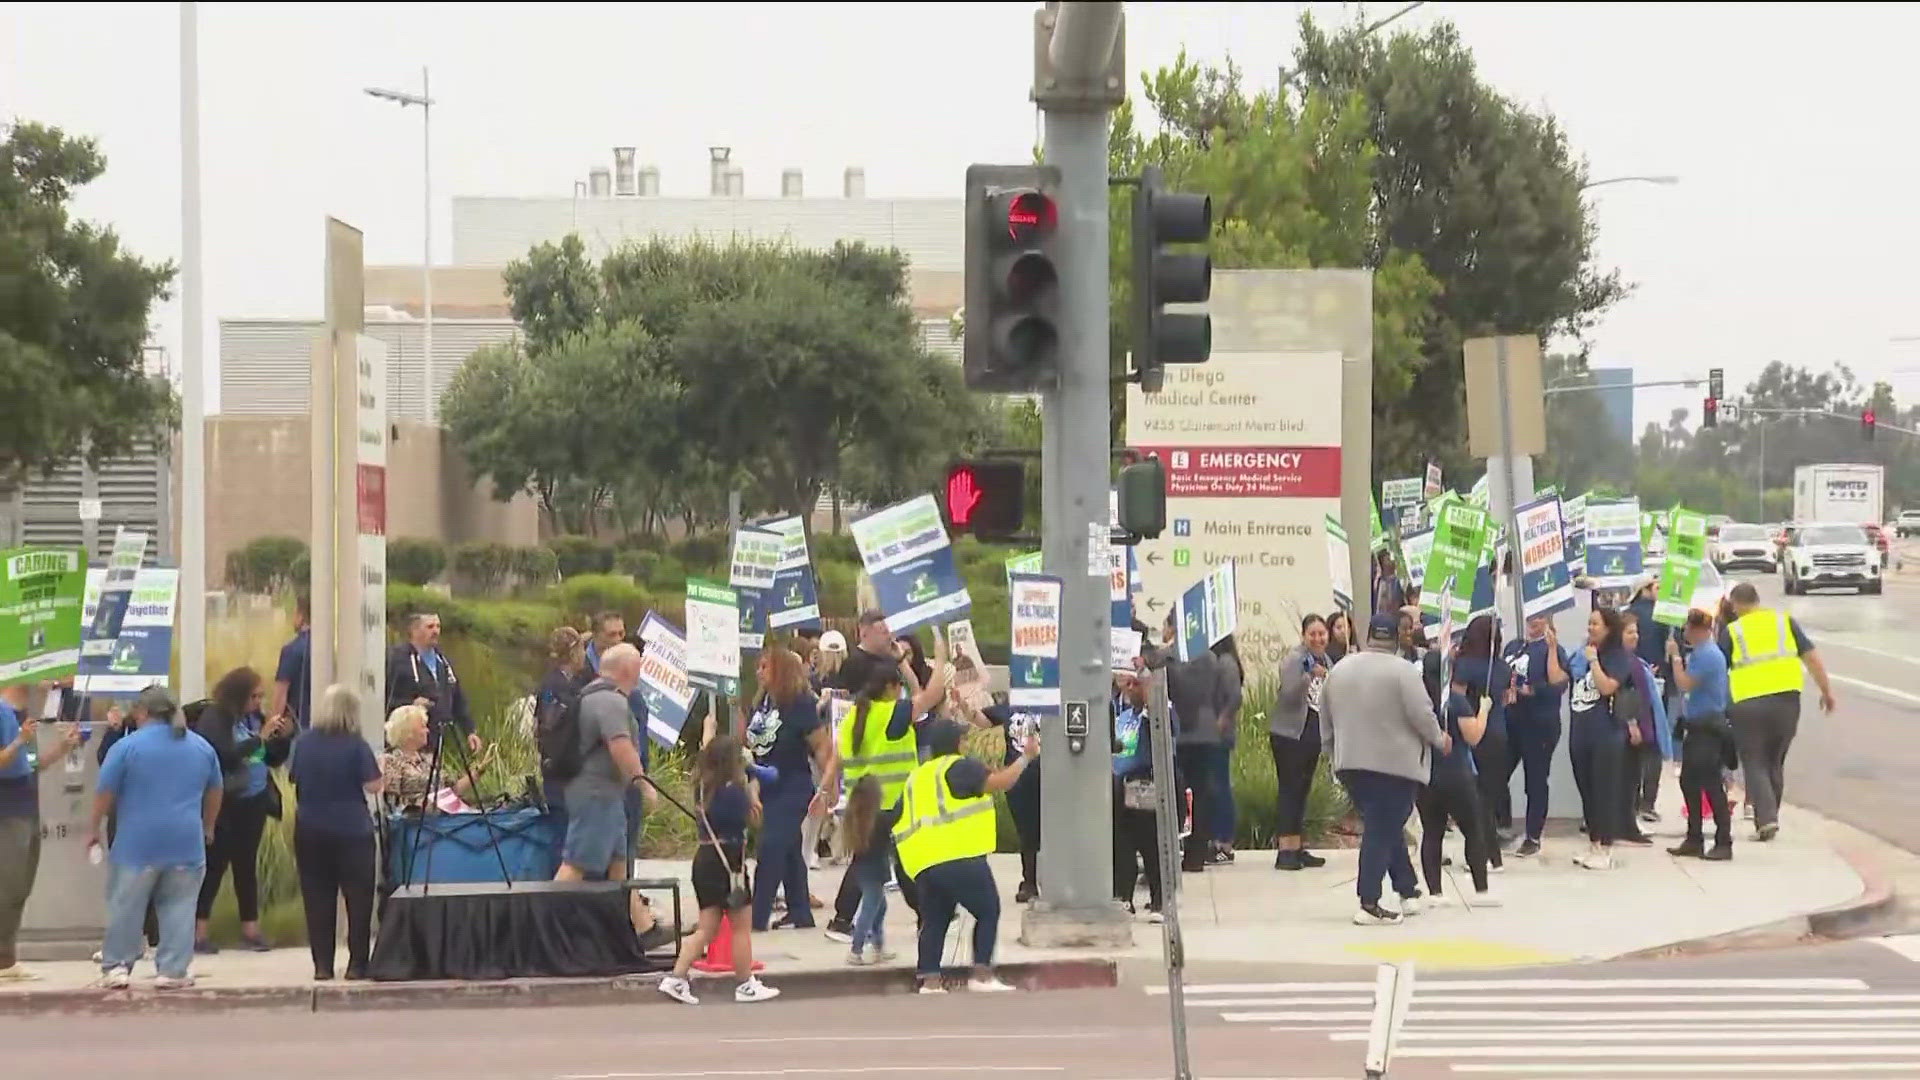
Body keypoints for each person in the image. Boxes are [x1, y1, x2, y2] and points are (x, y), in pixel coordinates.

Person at [89, 687, 223, 990]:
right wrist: (208, 826)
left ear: (142, 713)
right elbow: (216, 789)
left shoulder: (126, 747)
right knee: (180, 905)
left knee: (126, 905)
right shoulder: (201, 747)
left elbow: (104, 792)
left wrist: (92, 829)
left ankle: (117, 967)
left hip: (137, 845)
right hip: (186, 843)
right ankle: (173, 970)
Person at [1319, 614, 1450, 926]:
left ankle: (1407, 889)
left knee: (1385, 825)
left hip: (1350, 763)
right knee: (1382, 828)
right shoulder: (1403, 671)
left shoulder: (1340, 669)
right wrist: (1439, 738)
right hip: (1394, 765)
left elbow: (1325, 713)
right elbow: (1421, 713)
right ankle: (1369, 902)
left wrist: (1331, 750)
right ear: (1395, 638)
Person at [896, 719, 1033, 995]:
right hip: (959, 855)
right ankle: (982, 975)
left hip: (924, 862)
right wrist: (1026, 757)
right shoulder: (959, 766)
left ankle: (930, 980)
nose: (967, 743)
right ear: (956, 744)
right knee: (988, 910)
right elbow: (1001, 783)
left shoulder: (918, 776)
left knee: (935, 919)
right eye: (964, 739)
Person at [821, 656, 946, 944]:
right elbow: (933, 694)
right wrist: (940, 656)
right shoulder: (894, 713)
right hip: (891, 803)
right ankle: (924, 916)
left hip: (861, 804)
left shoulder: (857, 714)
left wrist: (824, 790)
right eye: (898, 686)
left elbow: (838, 757)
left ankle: (844, 920)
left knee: (870, 861)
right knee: (902, 862)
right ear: (890, 687)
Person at [554, 643, 667, 948]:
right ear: (628, 669)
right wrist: (644, 784)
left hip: (606, 794)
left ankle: (639, 929)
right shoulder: (610, 702)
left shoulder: (592, 695)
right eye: (640, 667)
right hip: (596, 794)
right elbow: (621, 746)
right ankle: (545, 930)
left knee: (619, 864)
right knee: (576, 863)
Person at [656, 735, 781, 1005]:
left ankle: (676, 978)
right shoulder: (734, 792)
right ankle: (746, 983)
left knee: (707, 928)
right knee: (740, 927)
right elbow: (753, 816)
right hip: (729, 861)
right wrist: (753, 790)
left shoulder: (703, 787)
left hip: (705, 859)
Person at [1719, 581, 1835, 841]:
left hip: (1748, 702)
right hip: (1787, 701)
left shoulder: (1733, 631)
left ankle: (1767, 818)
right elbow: (1812, 657)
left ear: (1736, 605)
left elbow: (1718, 668)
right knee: (1775, 760)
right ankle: (1770, 816)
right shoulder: (1785, 622)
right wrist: (1826, 691)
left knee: (1754, 760)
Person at [288, 684, 384, 979]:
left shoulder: (303, 743)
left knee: (317, 897)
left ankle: (322, 966)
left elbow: (293, 778)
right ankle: (357, 964)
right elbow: (373, 785)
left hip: (310, 827)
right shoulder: (356, 745)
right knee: (358, 899)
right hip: (352, 829)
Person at [192, 666, 291, 953]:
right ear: (239, 695)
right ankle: (198, 931)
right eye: (254, 696)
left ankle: (250, 929)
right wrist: (258, 738)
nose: (258, 702)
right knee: (215, 865)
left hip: (253, 801)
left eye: (261, 697)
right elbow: (225, 756)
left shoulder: (250, 719)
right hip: (225, 803)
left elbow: (267, 758)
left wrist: (280, 739)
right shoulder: (216, 718)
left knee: (246, 866)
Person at [743, 645, 832, 931]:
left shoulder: (800, 702)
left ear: (780, 669)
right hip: (765, 784)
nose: (759, 671)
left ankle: (756, 918)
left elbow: (822, 747)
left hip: (792, 785)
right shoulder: (761, 702)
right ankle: (800, 911)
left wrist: (828, 788)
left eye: (765, 666)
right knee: (790, 848)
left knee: (771, 847)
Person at [0, 681, 78, 981]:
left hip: (28, 810)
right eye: (49, 682)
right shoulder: (5, 715)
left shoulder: (24, 718)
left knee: (20, 887)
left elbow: (30, 766)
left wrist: (62, 748)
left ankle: (7, 959)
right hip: (6, 814)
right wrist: (19, 740)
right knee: (7, 887)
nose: (53, 686)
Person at [1417, 647, 1499, 909]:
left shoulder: (1418, 704)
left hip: (1426, 776)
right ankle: (1481, 890)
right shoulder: (1455, 701)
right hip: (1457, 775)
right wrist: (1484, 709)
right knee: (1473, 830)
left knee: (1432, 833)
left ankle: (1435, 893)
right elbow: (1473, 735)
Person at [1567, 608, 1633, 870]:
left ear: (1608, 627)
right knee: (1587, 790)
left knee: (1603, 789)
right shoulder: (1583, 652)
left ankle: (1605, 846)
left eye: (1595, 623)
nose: (1590, 628)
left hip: (1605, 731)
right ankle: (1593, 842)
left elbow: (1607, 687)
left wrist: (1594, 662)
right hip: (1581, 728)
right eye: (1589, 623)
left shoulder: (1617, 656)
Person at [1501, 614, 1570, 857]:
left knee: (1536, 781)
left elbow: (1559, 685)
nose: (1534, 622)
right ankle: (1501, 826)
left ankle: (1533, 835)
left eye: (1540, 618)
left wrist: (1533, 689)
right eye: (1531, 617)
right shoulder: (1515, 646)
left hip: (1539, 724)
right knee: (1497, 775)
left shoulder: (1555, 650)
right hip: (1511, 722)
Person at [1668, 610, 1734, 860]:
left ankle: (1723, 840)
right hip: (1697, 725)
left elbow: (1685, 683)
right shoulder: (1702, 653)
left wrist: (1675, 658)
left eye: (1687, 629)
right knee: (1689, 782)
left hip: (1708, 728)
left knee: (1711, 784)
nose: (1684, 633)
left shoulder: (1706, 655)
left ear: (1697, 630)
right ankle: (1694, 837)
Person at [1271, 615, 1332, 871]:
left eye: (1322, 633)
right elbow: (1288, 691)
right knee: (1290, 790)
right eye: (1313, 634)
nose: (1318, 639)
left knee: (1302, 790)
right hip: (1289, 734)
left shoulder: (1326, 660)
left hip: (1312, 734)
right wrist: (1309, 675)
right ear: (1304, 636)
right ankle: (1285, 851)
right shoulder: (1296, 659)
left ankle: (1297, 846)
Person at [1447, 617, 1509, 870]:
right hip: (1499, 733)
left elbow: (1455, 701)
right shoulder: (1502, 667)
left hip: (1473, 733)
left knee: (1475, 799)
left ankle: (1483, 855)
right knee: (1489, 797)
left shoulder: (1465, 665)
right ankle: (1493, 856)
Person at [385, 612, 482, 756]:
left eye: (438, 626)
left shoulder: (443, 661)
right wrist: (411, 703)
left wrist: (469, 731)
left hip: (436, 740)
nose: (436, 631)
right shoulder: (397, 659)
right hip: (408, 744)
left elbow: (458, 699)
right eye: (430, 627)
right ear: (414, 630)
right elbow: (383, 699)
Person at [1111, 669, 1163, 919]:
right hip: (1121, 785)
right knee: (1123, 845)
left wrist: (1146, 687)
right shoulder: (1123, 716)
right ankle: (1124, 897)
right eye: (1127, 684)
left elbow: (1164, 727)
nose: (1130, 689)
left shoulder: (1154, 715)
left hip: (1146, 784)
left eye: (1135, 684)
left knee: (1151, 845)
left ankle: (1159, 901)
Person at [381, 703, 493, 812]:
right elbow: (392, 806)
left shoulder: (429, 759)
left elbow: (453, 790)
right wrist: (427, 806)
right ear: (408, 732)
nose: (428, 731)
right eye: (423, 727)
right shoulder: (391, 762)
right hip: (412, 824)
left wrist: (478, 771)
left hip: (442, 822)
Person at [1624, 578, 1674, 823]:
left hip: (1631, 683)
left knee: (1633, 744)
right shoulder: (1662, 615)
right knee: (1653, 744)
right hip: (1654, 684)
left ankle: (1632, 800)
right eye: (1656, 587)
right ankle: (1648, 802)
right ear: (1644, 589)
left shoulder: (1626, 615)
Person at [534, 627, 588, 837]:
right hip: (560, 775)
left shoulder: (575, 682)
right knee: (562, 837)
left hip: (571, 774)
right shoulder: (553, 686)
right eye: (582, 649)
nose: (585, 655)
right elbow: (550, 730)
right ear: (573, 653)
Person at [839, 775, 894, 963]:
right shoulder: (880, 820)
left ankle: (878, 946)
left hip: (861, 870)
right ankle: (856, 950)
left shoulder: (855, 817)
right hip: (875, 871)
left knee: (880, 907)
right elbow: (897, 816)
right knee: (870, 909)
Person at [1208, 636, 1245, 864]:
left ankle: (1225, 842)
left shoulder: (1226, 663)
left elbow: (1235, 697)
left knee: (1220, 786)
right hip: (1213, 732)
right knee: (1215, 786)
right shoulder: (1217, 662)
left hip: (1219, 735)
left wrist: (1222, 719)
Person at [270, 595, 313, 731]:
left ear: (301, 616)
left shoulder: (292, 650)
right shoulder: (330, 649)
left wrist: (272, 729)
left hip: (299, 728)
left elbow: (280, 696)